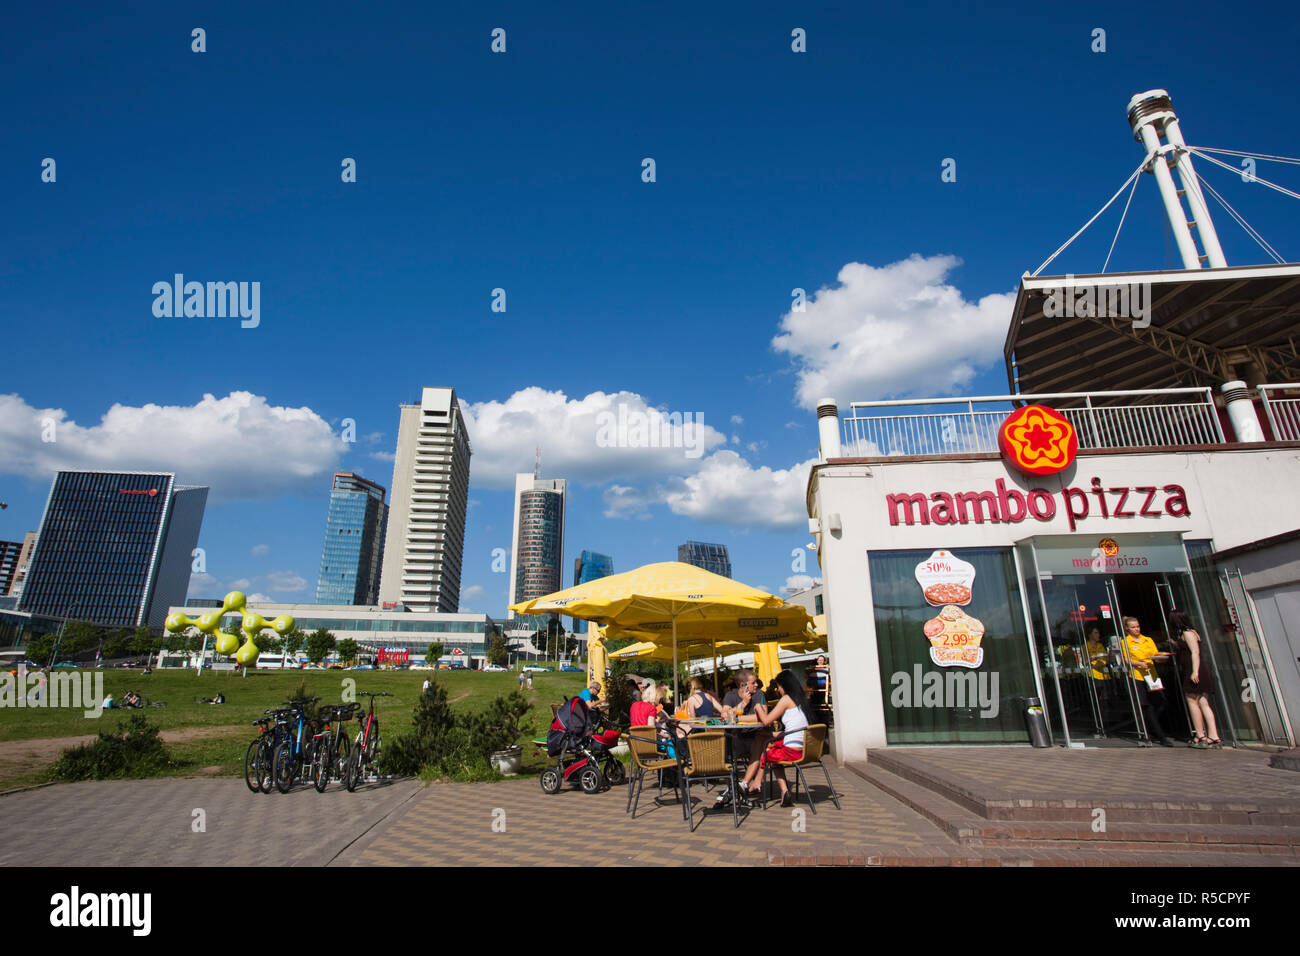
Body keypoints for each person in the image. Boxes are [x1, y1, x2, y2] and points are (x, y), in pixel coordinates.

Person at [735, 670, 812, 807]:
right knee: (764, 739)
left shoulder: (786, 699)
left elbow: (766, 721)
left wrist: (757, 707)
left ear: (784, 686)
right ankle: (768, 787)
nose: (778, 690)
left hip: (793, 751)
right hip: (807, 748)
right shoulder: (801, 699)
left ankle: (771, 786)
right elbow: (796, 726)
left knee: (767, 754)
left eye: (779, 687)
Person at [1169, 610, 1222, 748]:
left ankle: (1200, 735)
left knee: (1193, 702)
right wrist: (1176, 644)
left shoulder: (1187, 633)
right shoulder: (1193, 632)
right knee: (1203, 703)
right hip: (1199, 670)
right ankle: (1213, 736)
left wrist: (1194, 672)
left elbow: (1195, 652)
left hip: (1194, 671)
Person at [1123, 616, 1174, 746]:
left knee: (1161, 703)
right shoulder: (1126, 642)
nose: (1136, 629)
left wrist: (1161, 658)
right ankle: (1160, 735)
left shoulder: (1148, 640)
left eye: (1138, 626)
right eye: (1133, 627)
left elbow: (1155, 655)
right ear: (1127, 628)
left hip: (1152, 676)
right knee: (1148, 706)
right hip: (1137, 676)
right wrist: (1138, 664)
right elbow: (1126, 660)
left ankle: (1151, 726)